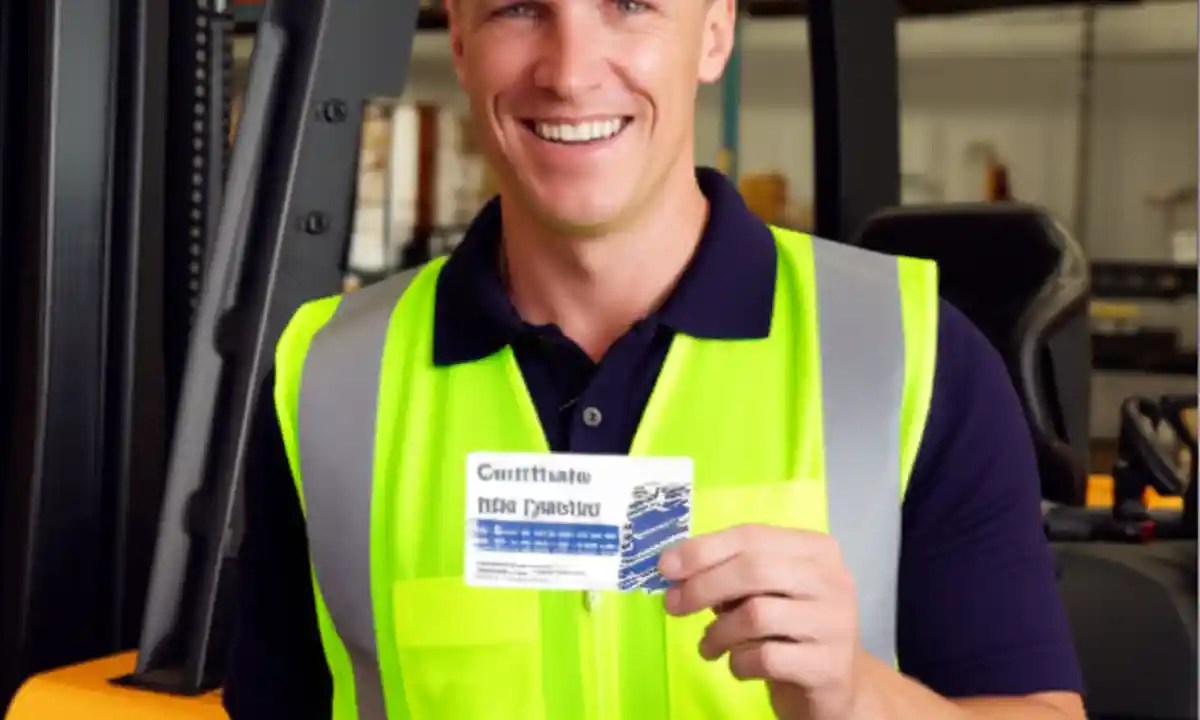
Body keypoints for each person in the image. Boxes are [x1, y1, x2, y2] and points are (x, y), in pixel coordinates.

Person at [223, 1, 1086, 718]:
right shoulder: (331, 379)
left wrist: (862, 697)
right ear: (458, 38)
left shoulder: (908, 358)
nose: (569, 70)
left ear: (714, 32)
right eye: (521, 8)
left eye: (630, 5)